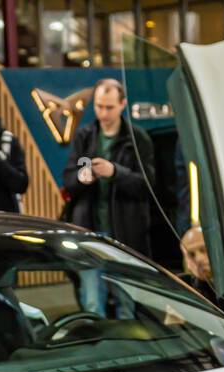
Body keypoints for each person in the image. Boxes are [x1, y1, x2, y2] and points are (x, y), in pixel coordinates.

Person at [60, 78, 157, 256]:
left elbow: (147, 186)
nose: (103, 114)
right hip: (89, 231)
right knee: (90, 282)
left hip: (127, 233)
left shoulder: (137, 139)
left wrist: (114, 172)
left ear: (122, 104)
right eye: (99, 106)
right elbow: (69, 180)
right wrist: (83, 177)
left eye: (109, 107)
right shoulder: (85, 136)